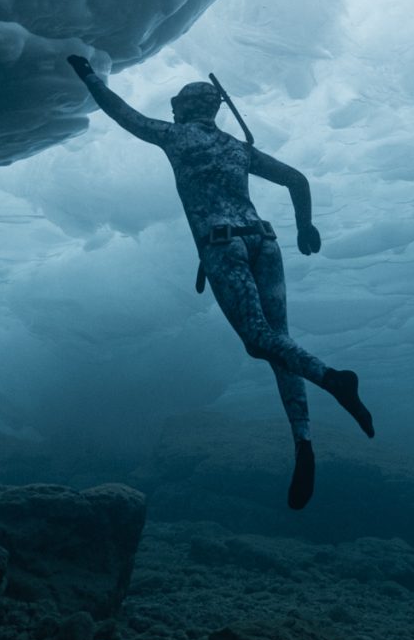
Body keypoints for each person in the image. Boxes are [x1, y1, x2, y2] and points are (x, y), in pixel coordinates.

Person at [67, 55, 371, 509]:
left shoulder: (173, 136)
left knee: (258, 340)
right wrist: (304, 228)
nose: (171, 110)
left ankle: (335, 379)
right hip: (264, 241)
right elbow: (296, 179)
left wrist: (88, 73)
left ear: (186, 108)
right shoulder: (237, 147)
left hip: (222, 246)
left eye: (175, 104)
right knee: (278, 343)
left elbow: (119, 110)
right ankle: (303, 442)